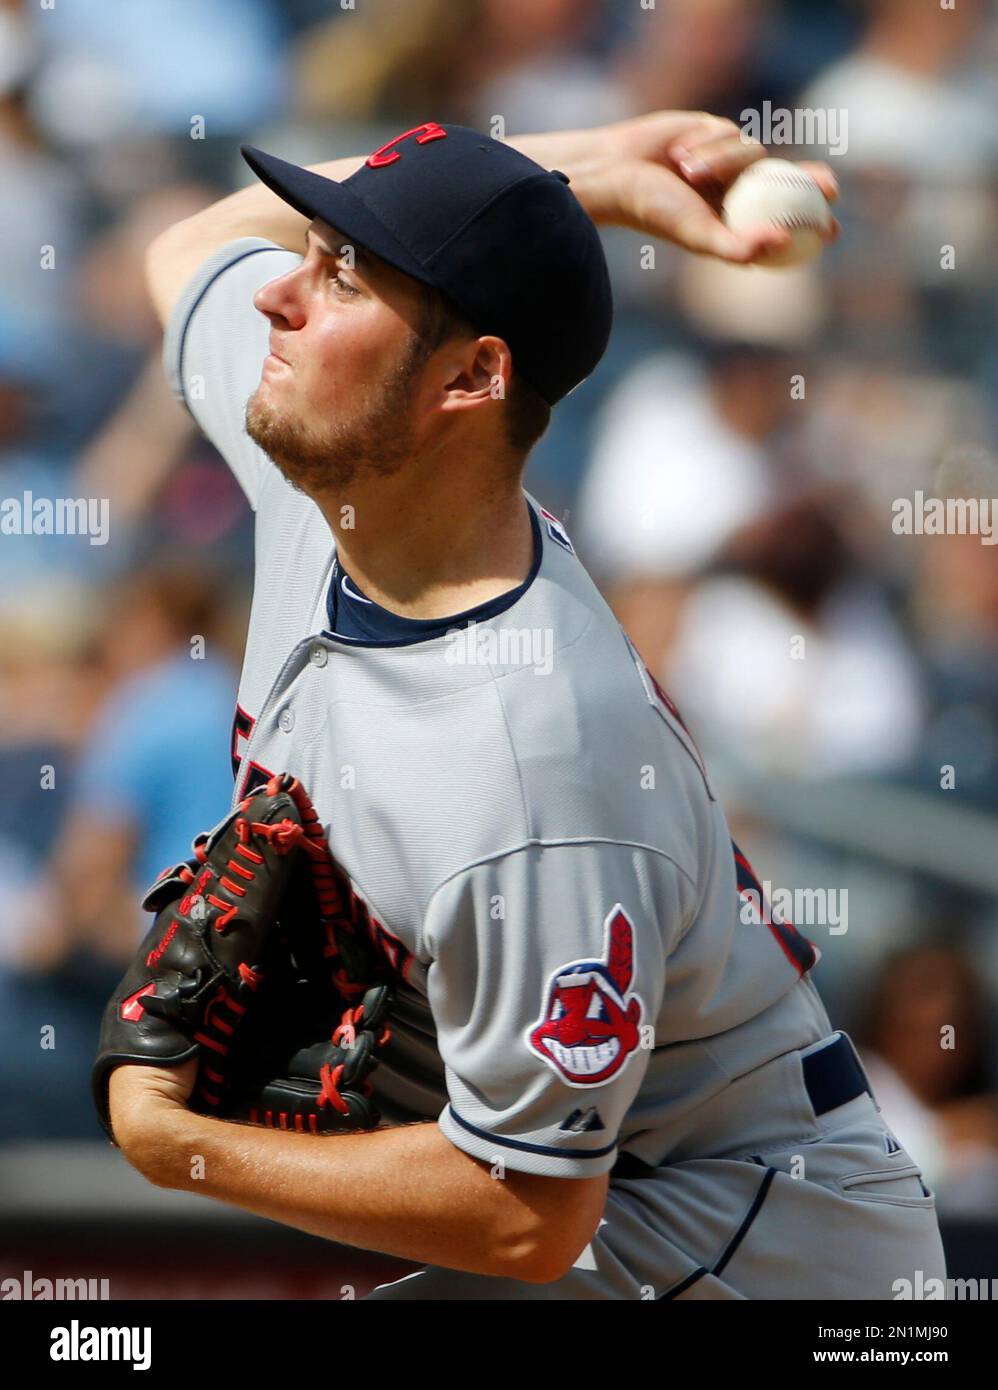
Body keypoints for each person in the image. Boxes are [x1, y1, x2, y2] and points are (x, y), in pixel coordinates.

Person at [105, 112, 944, 1299]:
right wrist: (582, 174)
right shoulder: (349, 471)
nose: (277, 297)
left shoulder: (529, 753)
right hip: (623, 1208)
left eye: (341, 274)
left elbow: (525, 1218)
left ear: (472, 375)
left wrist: (174, 1144)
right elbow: (189, 244)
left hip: (753, 1249)